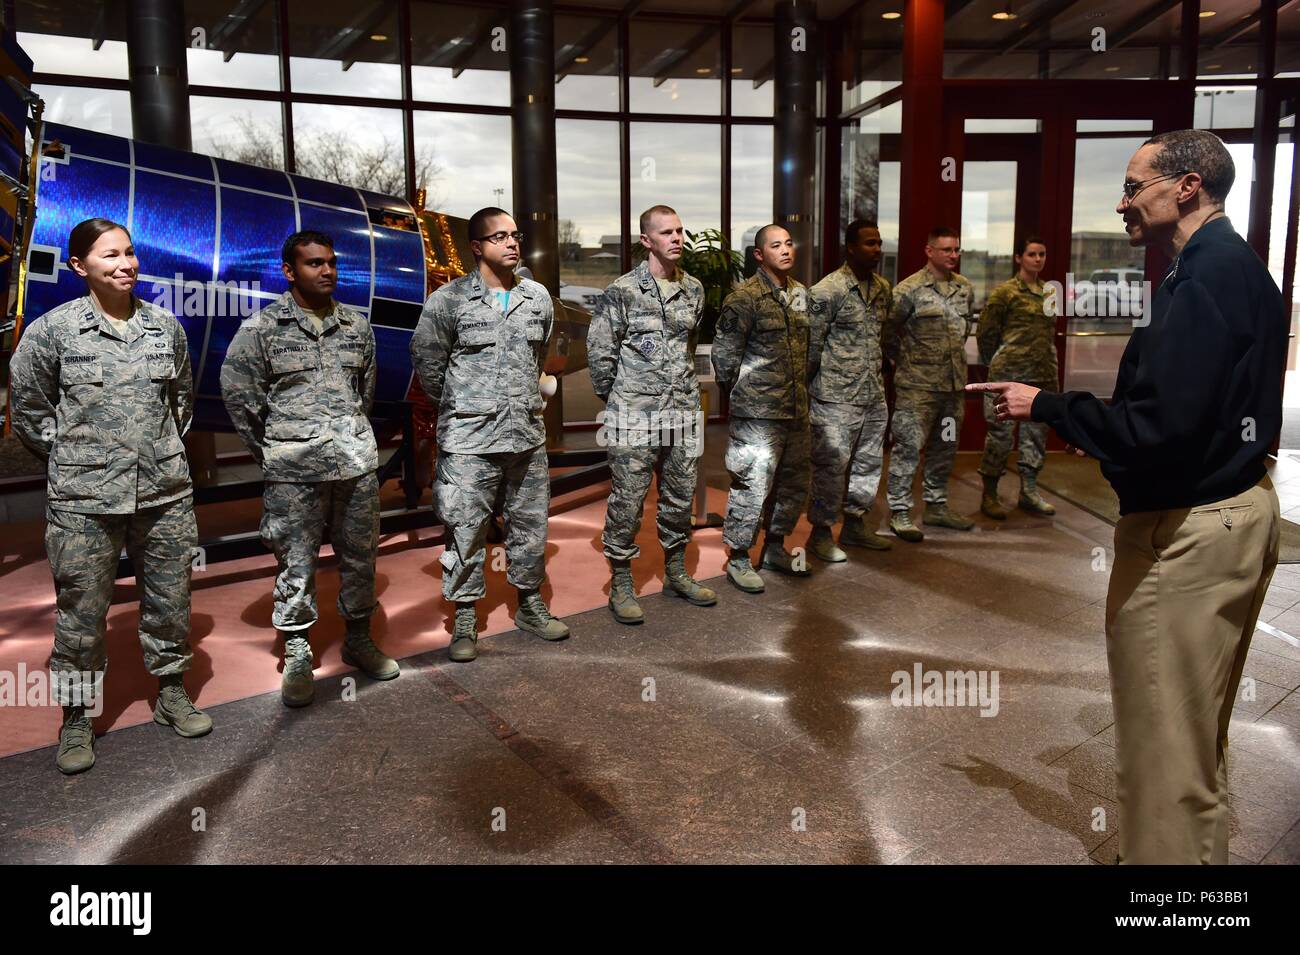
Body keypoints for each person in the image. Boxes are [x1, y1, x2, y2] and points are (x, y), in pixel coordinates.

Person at [969, 129, 1286, 864]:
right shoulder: (1238, 269)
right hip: (1236, 509)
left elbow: (1157, 428)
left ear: (1186, 187)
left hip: (1190, 535)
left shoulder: (1203, 279)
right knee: (1194, 738)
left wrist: (1050, 406)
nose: (1121, 202)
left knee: (1165, 750)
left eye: (1134, 184)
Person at [10, 217, 211, 774]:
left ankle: (171, 692)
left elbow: (181, 405)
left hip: (164, 493)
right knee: (81, 614)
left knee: (170, 603)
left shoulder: (165, 327)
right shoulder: (51, 333)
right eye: (108, 256)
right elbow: (28, 411)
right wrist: (79, 457)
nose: (125, 264)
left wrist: (156, 452)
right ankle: (76, 716)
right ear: (80, 267)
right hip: (84, 501)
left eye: (129, 253)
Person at [221, 230, 399, 708]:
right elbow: (240, 398)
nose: (327, 272)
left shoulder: (357, 327)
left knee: (361, 556)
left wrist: (349, 439)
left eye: (331, 263)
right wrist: (275, 451)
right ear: (289, 271)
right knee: (295, 564)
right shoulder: (261, 330)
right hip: (293, 471)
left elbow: (366, 396)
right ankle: (297, 649)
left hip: (355, 466)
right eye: (315, 264)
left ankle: (358, 638)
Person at [410, 208, 570, 662]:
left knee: (530, 525)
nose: (512, 244)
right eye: (499, 237)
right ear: (477, 248)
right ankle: (464, 613)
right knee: (465, 529)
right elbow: (429, 365)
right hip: (469, 442)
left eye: (515, 236)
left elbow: (538, 357)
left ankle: (530, 604)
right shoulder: (449, 301)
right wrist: (468, 404)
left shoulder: (537, 298)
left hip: (525, 437)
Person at [587, 204, 717, 624]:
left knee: (679, 498)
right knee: (628, 500)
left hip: (682, 414)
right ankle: (621, 581)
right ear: (647, 241)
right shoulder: (622, 291)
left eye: (680, 231)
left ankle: (676, 571)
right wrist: (623, 399)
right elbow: (600, 353)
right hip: (634, 419)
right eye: (667, 233)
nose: (677, 238)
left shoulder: (694, 289)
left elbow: (689, 343)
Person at [711, 223, 811, 593]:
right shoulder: (745, 298)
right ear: (758, 255)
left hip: (796, 409)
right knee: (752, 483)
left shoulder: (801, 294)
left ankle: (775, 547)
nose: (785, 250)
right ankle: (738, 556)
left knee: (793, 483)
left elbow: (808, 350)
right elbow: (724, 358)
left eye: (788, 243)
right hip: (758, 414)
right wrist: (746, 395)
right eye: (775, 245)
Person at [805, 218, 895, 562]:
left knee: (868, 464)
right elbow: (812, 346)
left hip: (872, 395)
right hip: (835, 398)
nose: (877, 249)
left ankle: (855, 524)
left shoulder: (882, 288)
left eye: (879, 242)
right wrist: (812, 388)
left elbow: (883, 337)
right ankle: (821, 532)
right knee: (831, 467)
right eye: (869, 243)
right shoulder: (828, 291)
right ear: (851, 247)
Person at [884, 227, 976, 542]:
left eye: (957, 250)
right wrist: (906, 360)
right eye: (947, 250)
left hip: (952, 388)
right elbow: (888, 332)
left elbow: (964, 330)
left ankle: (936, 506)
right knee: (908, 448)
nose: (953, 255)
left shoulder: (964, 288)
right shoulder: (908, 290)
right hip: (917, 389)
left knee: (945, 447)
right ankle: (899, 511)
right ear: (929, 251)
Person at [976, 235, 1058, 519]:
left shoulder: (1050, 292)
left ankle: (1029, 491)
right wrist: (994, 362)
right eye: (1032, 254)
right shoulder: (1005, 293)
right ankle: (989, 494)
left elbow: (1049, 334)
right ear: (1019, 258)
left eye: (1042, 254)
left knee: (1036, 435)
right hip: (1008, 373)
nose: (1038, 259)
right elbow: (986, 333)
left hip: (1042, 374)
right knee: (1000, 436)